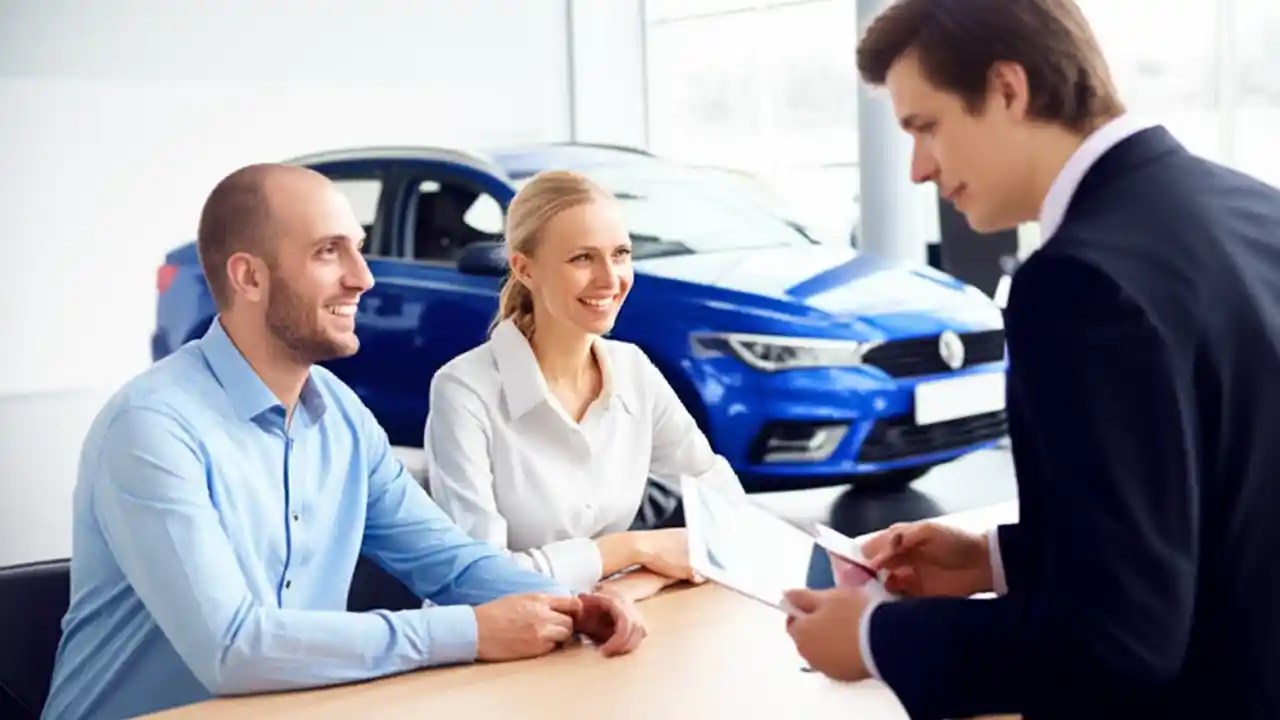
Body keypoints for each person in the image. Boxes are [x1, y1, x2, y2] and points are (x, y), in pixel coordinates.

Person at [782, 1, 1280, 718]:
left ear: (1008, 89)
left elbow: (1116, 643)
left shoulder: (1078, 283)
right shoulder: (1251, 210)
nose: (919, 169)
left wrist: (873, 638)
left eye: (926, 126)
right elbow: (1214, 513)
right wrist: (994, 558)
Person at [42, 164, 645, 720]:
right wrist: (470, 632)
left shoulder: (340, 417)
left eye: (356, 248)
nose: (363, 278)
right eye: (329, 253)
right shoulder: (152, 428)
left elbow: (447, 559)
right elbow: (232, 648)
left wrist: (568, 602)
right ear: (249, 276)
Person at [423, 170, 747, 602]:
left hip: (602, 630)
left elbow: (728, 513)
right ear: (524, 268)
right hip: (497, 650)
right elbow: (481, 583)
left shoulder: (634, 370)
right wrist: (631, 549)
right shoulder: (463, 390)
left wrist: (633, 584)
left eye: (620, 254)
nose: (609, 279)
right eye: (582, 258)